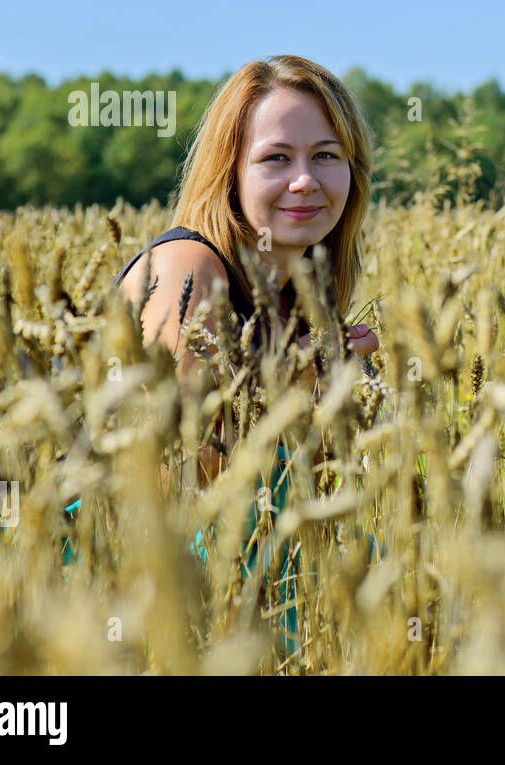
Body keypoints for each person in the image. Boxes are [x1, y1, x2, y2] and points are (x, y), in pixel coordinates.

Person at [110, 54, 382, 657]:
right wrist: (299, 381)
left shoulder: (303, 294)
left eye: (327, 156)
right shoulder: (188, 267)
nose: (305, 179)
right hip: (116, 568)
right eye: (276, 158)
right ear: (228, 171)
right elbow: (169, 470)